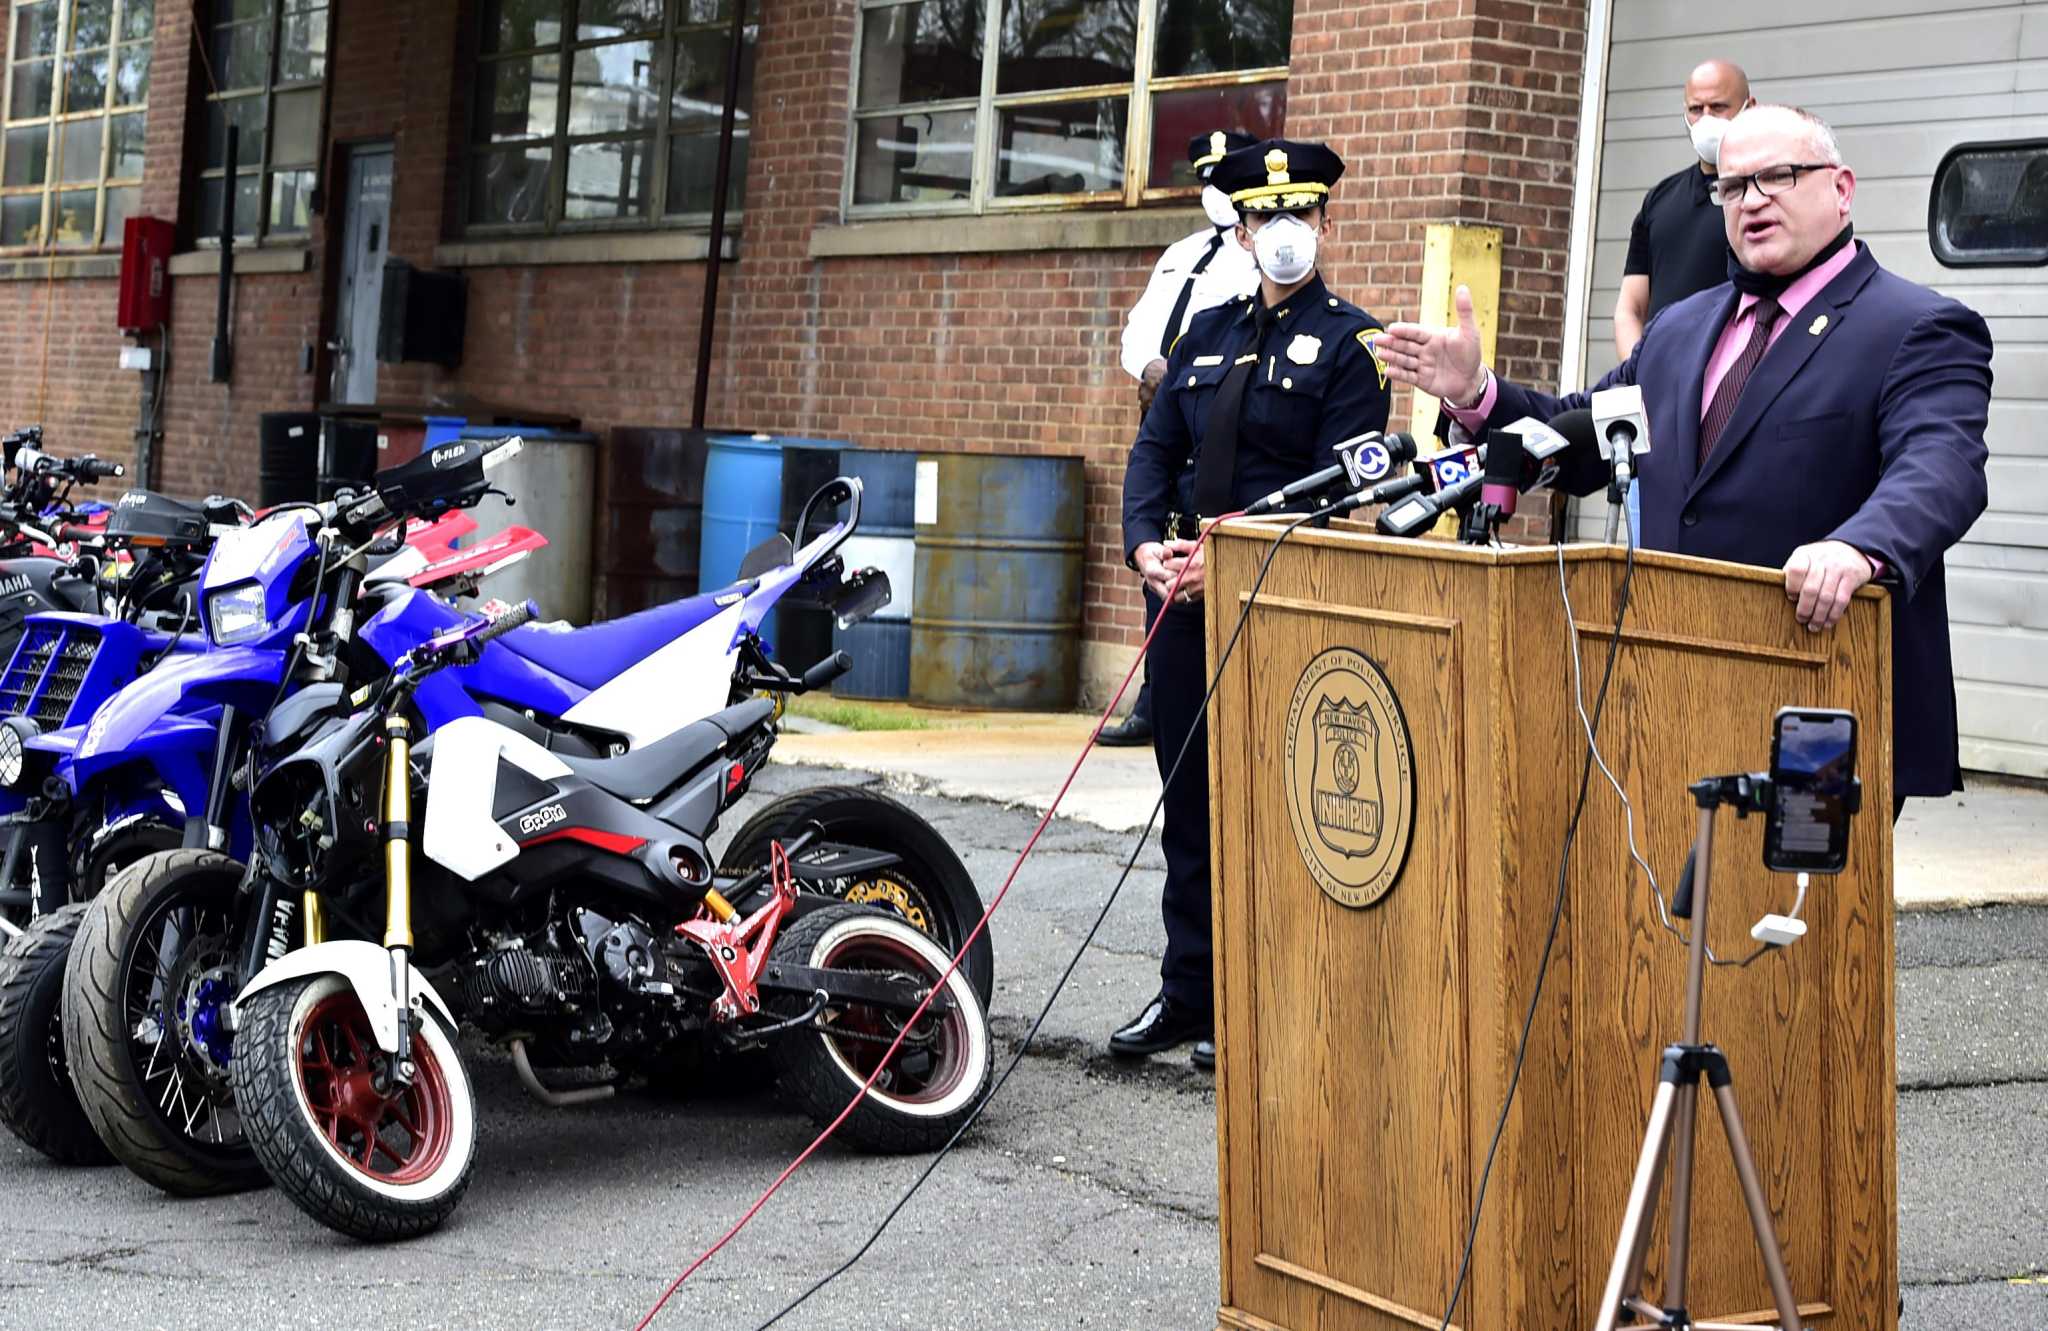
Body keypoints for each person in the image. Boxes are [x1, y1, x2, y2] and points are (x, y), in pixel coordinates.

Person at [1374, 105, 1991, 811]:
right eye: (1733, 187)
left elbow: (1940, 467)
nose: (1752, 200)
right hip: (1665, 690)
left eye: (1778, 177)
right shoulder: (1679, 328)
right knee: (1668, 914)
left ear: (1842, 188)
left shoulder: (1915, 327)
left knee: (1792, 919)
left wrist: (1858, 548)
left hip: (1818, 691)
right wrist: (1478, 395)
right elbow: (1581, 438)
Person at [1116, 138, 1393, 1070]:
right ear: (1238, 228)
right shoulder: (1205, 333)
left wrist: (1227, 559)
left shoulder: (1352, 345)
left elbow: (1335, 489)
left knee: (1273, 809)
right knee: (1188, 803)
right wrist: (1145, 542)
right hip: (1184, 603)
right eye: (1265, 217)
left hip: (1278, 608)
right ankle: (1189, 995)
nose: (1284, 232)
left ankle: (1263, 1001)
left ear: (1325, 221)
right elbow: (1155, 451)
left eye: (1301, 215)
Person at [1101, 130, 1262, 749]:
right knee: (1158, 550)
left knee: (1199, 555)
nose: (1212, 192)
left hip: (1213, 422)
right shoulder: (1181, 251)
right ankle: (1155, 696)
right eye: (1206, 178)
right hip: (1162, 415)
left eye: (1224, 179)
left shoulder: (1257, 257)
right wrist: (1150, 373)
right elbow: (1138, 329)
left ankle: (1172, 699)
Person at [1613, 60, 1756, 362]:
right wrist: (1638, 374)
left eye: (1718, 107)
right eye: (1696, 109)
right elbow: (1630, 308)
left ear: (1749, 108)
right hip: (1659, 382)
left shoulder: (1766, 195)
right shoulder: (1660, 200)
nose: (1705, 119)